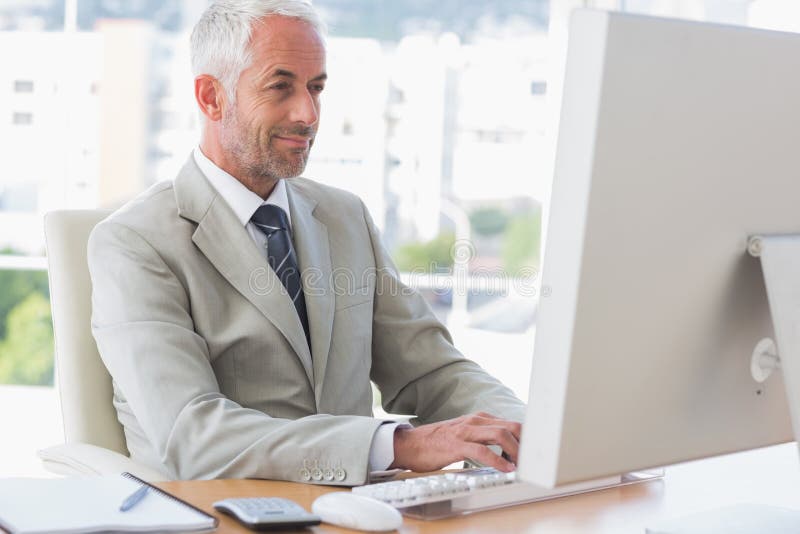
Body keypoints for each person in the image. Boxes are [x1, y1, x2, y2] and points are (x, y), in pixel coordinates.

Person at [88, 0, 526, 485]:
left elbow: (430, 372)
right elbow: (194, 438)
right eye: (281, 87)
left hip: (356, 513)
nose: (308, 114)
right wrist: (399, 444)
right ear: (211, 97)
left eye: (316, 88)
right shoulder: (134, 243)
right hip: (220, 515)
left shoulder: (345, 217)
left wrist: (524, 429)